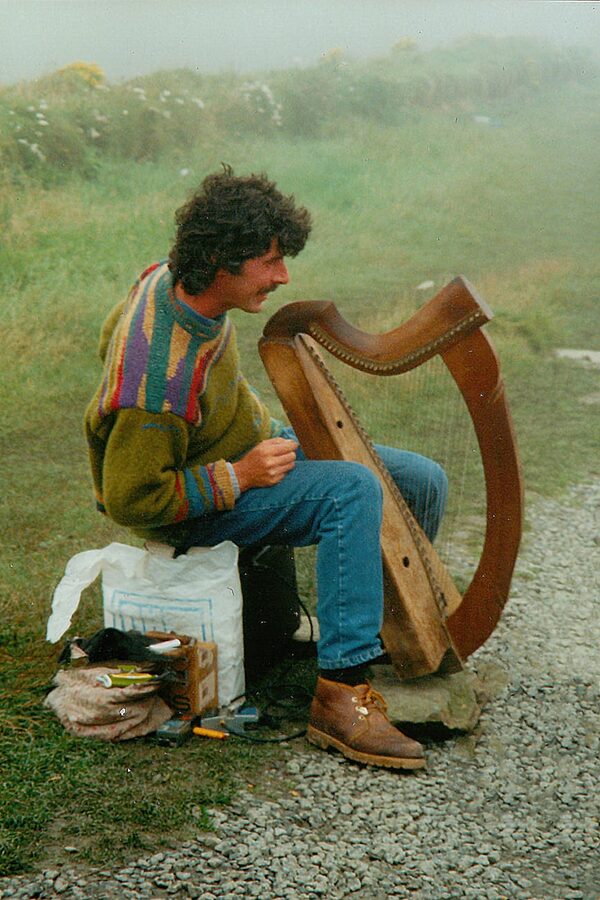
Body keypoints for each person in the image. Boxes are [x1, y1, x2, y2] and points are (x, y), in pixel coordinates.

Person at [85, 166, 448, 770]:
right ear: (222, 260)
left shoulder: (168, 277)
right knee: (351, 491)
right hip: (200, 505)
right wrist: (240, 476)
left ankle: (389, 632)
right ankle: (339, 694)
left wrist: (249, 447)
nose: (283, 276)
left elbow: (108, 336)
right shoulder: (155, 382)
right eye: (270, 262)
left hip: (248, 453)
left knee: (420, 479)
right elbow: (132, 500)